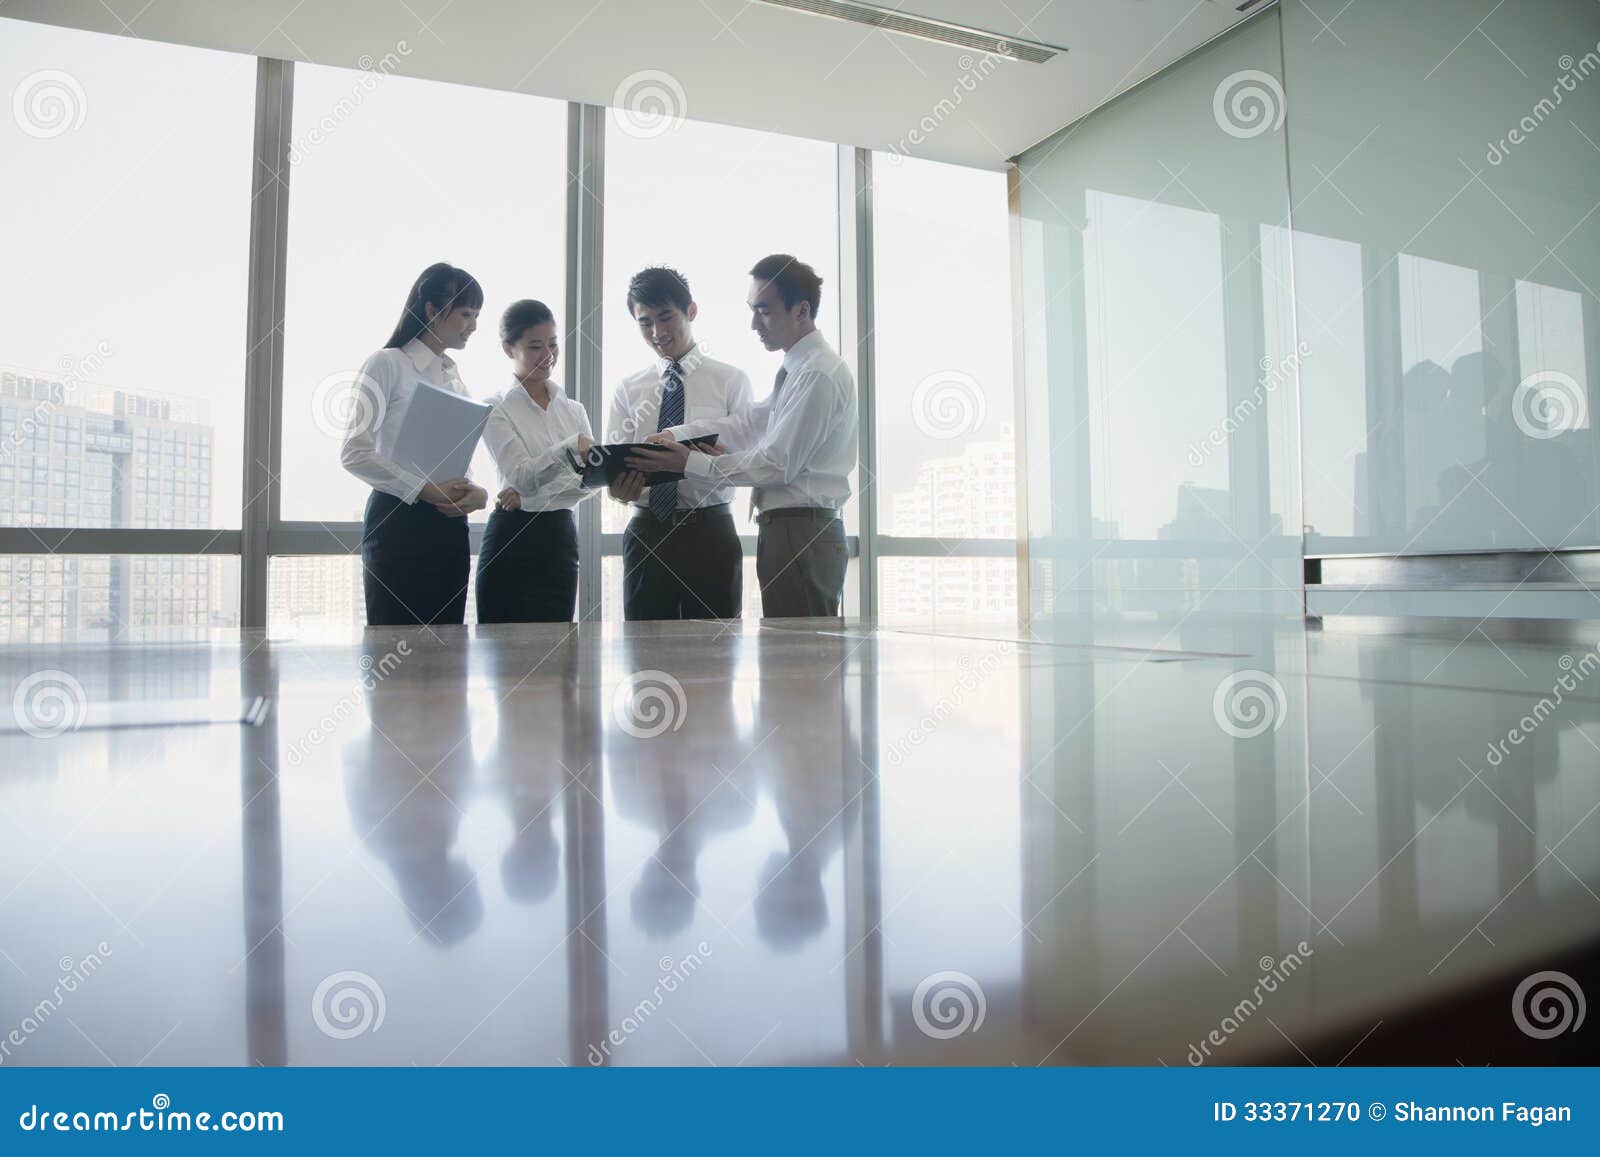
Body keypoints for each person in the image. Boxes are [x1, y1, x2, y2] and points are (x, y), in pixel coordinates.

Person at [627, 255, 856, 618]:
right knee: (787, 647)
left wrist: (690, 463)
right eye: (752, 311)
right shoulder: (799, 369)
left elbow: (778, 464)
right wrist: (674, 435)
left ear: (801, 310)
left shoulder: (817, 374)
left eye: (764, 311)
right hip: (788, 528)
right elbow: (748, 424)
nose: (754, 324)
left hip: (801, 528)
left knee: (797, 649)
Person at [342, 262, 489, 627]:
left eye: (476, 315)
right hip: (399, 523)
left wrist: (476, 494)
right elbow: (354, 453)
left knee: (448, 646)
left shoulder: (454, 379)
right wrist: (424, 489)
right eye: (466, 314)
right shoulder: (386, 364)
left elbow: (458, 459)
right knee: (395, 641)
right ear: (432, 310)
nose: (473, 325)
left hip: (449, 526)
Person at [607, 266, 752, 620]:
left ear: (691, 311)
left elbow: (749, 457)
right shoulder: (628, 389)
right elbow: (614, 464)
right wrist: (617, 490)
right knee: (643, 643)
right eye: (645, 322)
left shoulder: (731, 380)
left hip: (710, 531)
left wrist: (718, 458)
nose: (657, 332)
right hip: (647, 532)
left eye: (665, 317)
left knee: (716, 645)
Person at [476, 299, 598, 623]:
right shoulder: (494, 408)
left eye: (553, 344)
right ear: (508, 348)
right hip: (510, 539)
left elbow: (591, 481)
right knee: (500, 646)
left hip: (559, 539)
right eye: (534, 346)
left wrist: (529, 497)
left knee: (558, 647)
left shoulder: (574, 410)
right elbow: (521, 475)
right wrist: (571, 448)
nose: (548, 355)